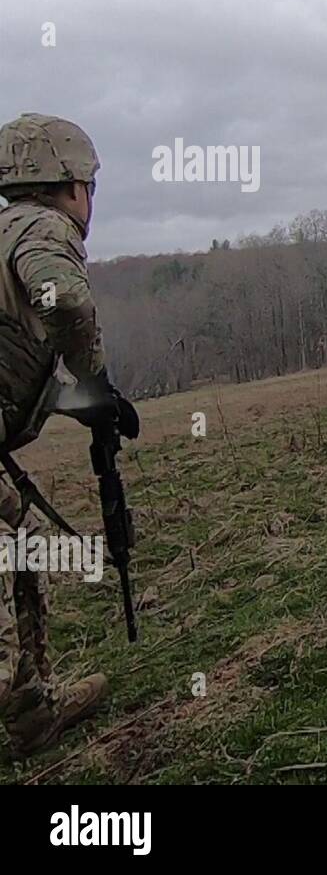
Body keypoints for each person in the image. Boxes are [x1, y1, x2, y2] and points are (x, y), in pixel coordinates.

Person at [0, 113, 125, 757]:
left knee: (25, 537)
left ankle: (31, 715)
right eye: (91, 187)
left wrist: (83, 404)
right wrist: (96, 376)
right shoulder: (42, 228)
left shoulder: (4, 230)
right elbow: (66, 302)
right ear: (71, 183)